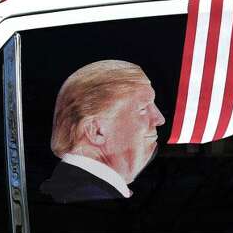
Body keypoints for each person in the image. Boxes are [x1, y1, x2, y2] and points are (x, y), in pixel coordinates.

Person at [41, 60, 166, 203]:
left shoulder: (71, 187)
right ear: (96, 131)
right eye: (143, 109)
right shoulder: (91, 199)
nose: (160, 119)